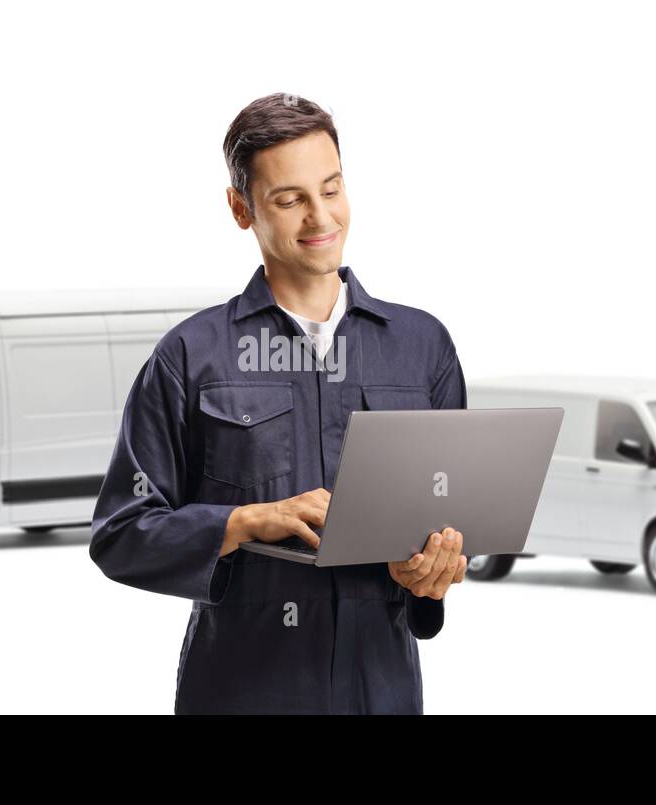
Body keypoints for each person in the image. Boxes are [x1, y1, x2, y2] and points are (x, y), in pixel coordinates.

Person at [90, 93, 469, 714]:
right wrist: (238, 523)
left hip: (382, 689)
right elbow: (121, 533)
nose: (320, 217)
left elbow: (449, 524)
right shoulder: (192, 355)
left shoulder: (421, 347)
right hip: (243, 690)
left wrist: (431, 576)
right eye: (289, 199)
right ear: (242, 209)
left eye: (332, 188)